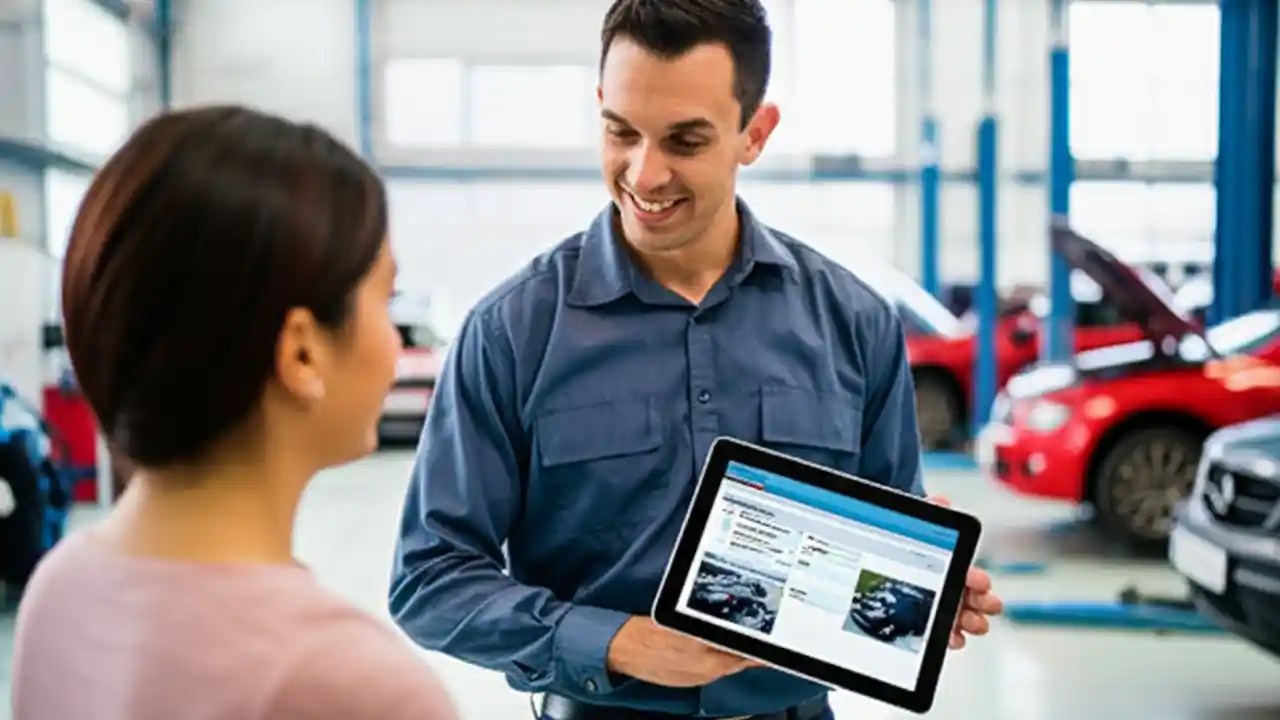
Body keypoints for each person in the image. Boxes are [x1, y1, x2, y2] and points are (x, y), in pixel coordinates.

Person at [388, 1, 1003, 718]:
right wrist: (617, 643)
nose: (645, 176)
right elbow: (429, 579)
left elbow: (875, 562)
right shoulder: (511, 332)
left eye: (685, 141)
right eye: (622, 133)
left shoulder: (855, 324)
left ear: (755, 133)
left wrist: (920, 597)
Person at [11, 106, 457, 720]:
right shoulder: (353, 685)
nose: (395, 345)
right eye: (383, 297)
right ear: (301, 351)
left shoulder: (59, 588)